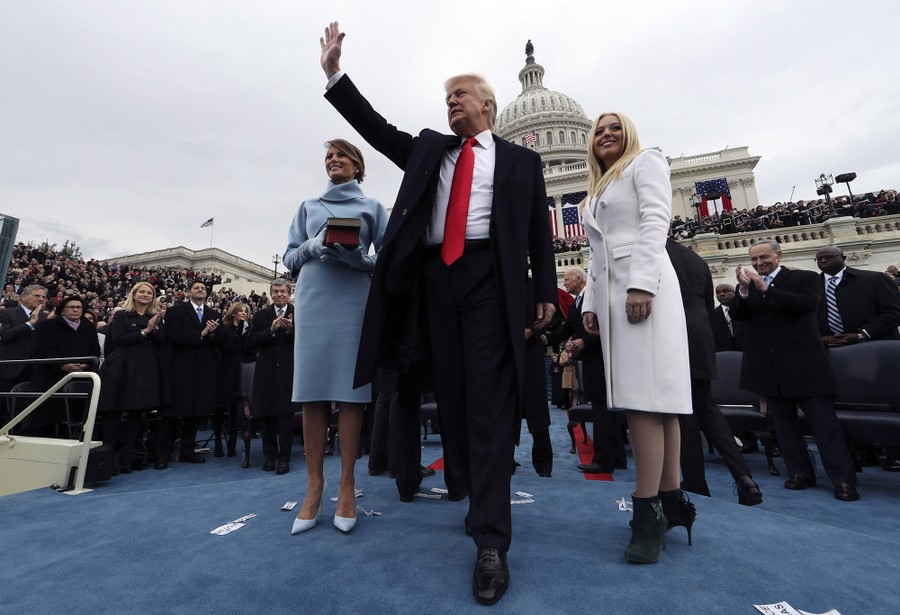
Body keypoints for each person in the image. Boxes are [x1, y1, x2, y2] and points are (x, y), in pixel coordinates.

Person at [319, 22, 556, 605]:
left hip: (491, 283)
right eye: (446, 96)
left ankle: (492, 541)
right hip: (432, 286)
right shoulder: (431, 149)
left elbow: (537, 234)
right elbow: (375, 130)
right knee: (452, 403)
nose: (450, 102)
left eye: (460, 94)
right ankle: (473, 493)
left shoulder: (522, 162)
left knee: (490, 407)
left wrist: (545, 291)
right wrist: (334, 75)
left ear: (488, 106)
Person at [580, 112, 692, 563]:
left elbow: (655, 221)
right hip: (613, 293)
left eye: (615, 128)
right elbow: (596, 254)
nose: (606, 134)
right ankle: (672, 500)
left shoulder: (645, 161)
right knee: (657, 400)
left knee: (645, 399)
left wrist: (642, 283)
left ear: (629, 134)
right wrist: (590, 302)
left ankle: (647, 511)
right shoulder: (597, 188)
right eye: (599, 130)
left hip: (643, 287)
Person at [283, 138, 387, 534]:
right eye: (329, 156)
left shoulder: (373, 207)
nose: (333, 160)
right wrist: (312, 246)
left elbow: (388, 259)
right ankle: (314, 486)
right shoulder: (307, 206)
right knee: (311, 392)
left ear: (357, 165)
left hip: (354, 301)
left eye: (341, 155)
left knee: (350, 393)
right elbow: (290, 257)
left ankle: (346, 484)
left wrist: (361, 260)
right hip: (313, 300)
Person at [730, 239, 859, 501]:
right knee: (784, 427)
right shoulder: (748, 286)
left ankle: (843, 480)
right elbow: (739, 316)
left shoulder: (805, 278)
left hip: (805, 366)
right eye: (754, 259)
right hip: (769, 368)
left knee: (825, 426)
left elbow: (805, 305)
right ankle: (800, 473)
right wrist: (743, 291)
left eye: (764, 257)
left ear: (779, 255)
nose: (758, 263)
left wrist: (766, 289)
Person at [665, 238, 762, 506]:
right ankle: (745, 478)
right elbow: (708, 307)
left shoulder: (649, 251)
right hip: (700, 338)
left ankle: (696, 482)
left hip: (671, 338)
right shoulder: (695, 259)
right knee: (707, 406)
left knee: (682, 413)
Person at [815, 245, 900, 472]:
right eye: (819, 259)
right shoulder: (813, 286)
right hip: (835, 355)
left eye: (828, 257)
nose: (823, 261)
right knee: (848, 401)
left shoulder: (874, 279)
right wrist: (820, 339)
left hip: (875, 350)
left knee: (886, 401)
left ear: (843, 257)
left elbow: (893, 313)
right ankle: (863, 452)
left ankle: (894, 453)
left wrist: (862, 334)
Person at [542, 267, 626, 474]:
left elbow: (607, 327)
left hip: (602, 362)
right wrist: (544, 339)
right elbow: (566, 330)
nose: (564, 283)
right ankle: (617, 457)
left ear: (579, 279)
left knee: (602, 412)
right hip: (590, 362)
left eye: (567, 279)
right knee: (603, 411)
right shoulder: (576, 304)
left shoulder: (595, 297)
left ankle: (603, 461)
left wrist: (584, 341)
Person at [98, 282, 168, 474]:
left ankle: (126, 458)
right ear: (134, 295)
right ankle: (107, 460)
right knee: (113, 414)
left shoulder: (155, 317)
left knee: (136, 415)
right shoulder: (121, 315)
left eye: (149, 293)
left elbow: (162, 341)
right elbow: (119, 339)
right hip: (121, 369)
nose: (145, 295)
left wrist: (155, 328)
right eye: (142, 292)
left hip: (144, 371)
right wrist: (146, 331)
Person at [155, 280, 224, 469]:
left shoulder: (213, 314)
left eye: (203, 288)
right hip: (179, 368)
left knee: (195, 412)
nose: (200, 290)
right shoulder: (176, 311)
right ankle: (162, 454)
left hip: (203, 370)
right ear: (188, 291)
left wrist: (212, 334)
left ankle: (188, 450)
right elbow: (171, 335)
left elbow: (219, 340)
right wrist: (201, 334)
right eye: (196, 288)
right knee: (171, 413)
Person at [31, 295, 101, 436]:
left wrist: (85, 365)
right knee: (48, 421)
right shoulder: (46, 326)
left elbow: (95, 351)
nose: (75, 310)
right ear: (62, 309)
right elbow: (41, 351)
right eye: (71, 307)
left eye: (79, 307)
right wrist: (63, 365)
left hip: (81, 376)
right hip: (51, 377)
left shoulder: (89, 328)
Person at [247, 279, 298, 474]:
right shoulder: (261, 315)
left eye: (283, 291)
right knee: (266, 415)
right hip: (266, 371)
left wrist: (291, 329)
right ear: (271, 294)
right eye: (275, 291)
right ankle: (270, 456)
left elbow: (306, 340)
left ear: (289, 293)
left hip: (289, 371)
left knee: (286, 416)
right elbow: (251, 340)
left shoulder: (298, 313)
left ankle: (284, 458)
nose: (279, 294)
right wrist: (271, 330)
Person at [0, 284, 49, 393]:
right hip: (9, 368)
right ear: (23, 297)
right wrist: (30, 324)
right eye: (36, 296)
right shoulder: (6, 313)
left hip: (34, 370)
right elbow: (5, 336)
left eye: (43, 297)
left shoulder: (45, 317)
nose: (41, 299)